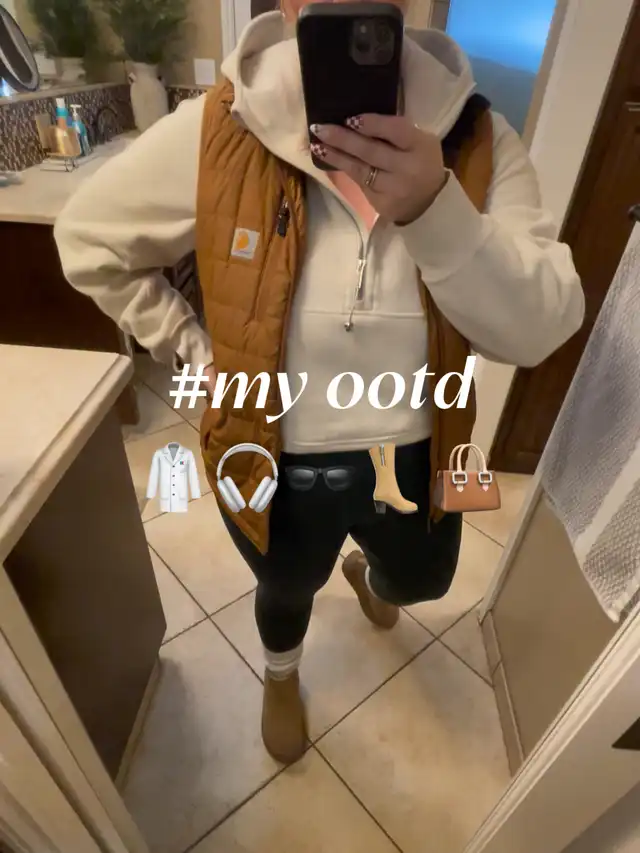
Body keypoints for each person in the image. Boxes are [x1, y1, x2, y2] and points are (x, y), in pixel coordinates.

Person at [55, 0, 584, 764]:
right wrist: (197, 354)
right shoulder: (221, 128)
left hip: (415, 446)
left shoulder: (477, 137)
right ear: (288, 4)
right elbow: (88, 240)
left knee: (423, 581)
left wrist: (435, 208)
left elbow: (542, 326)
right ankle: (281, 673)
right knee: (286, 585)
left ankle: (368, 571)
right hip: (277, 449)